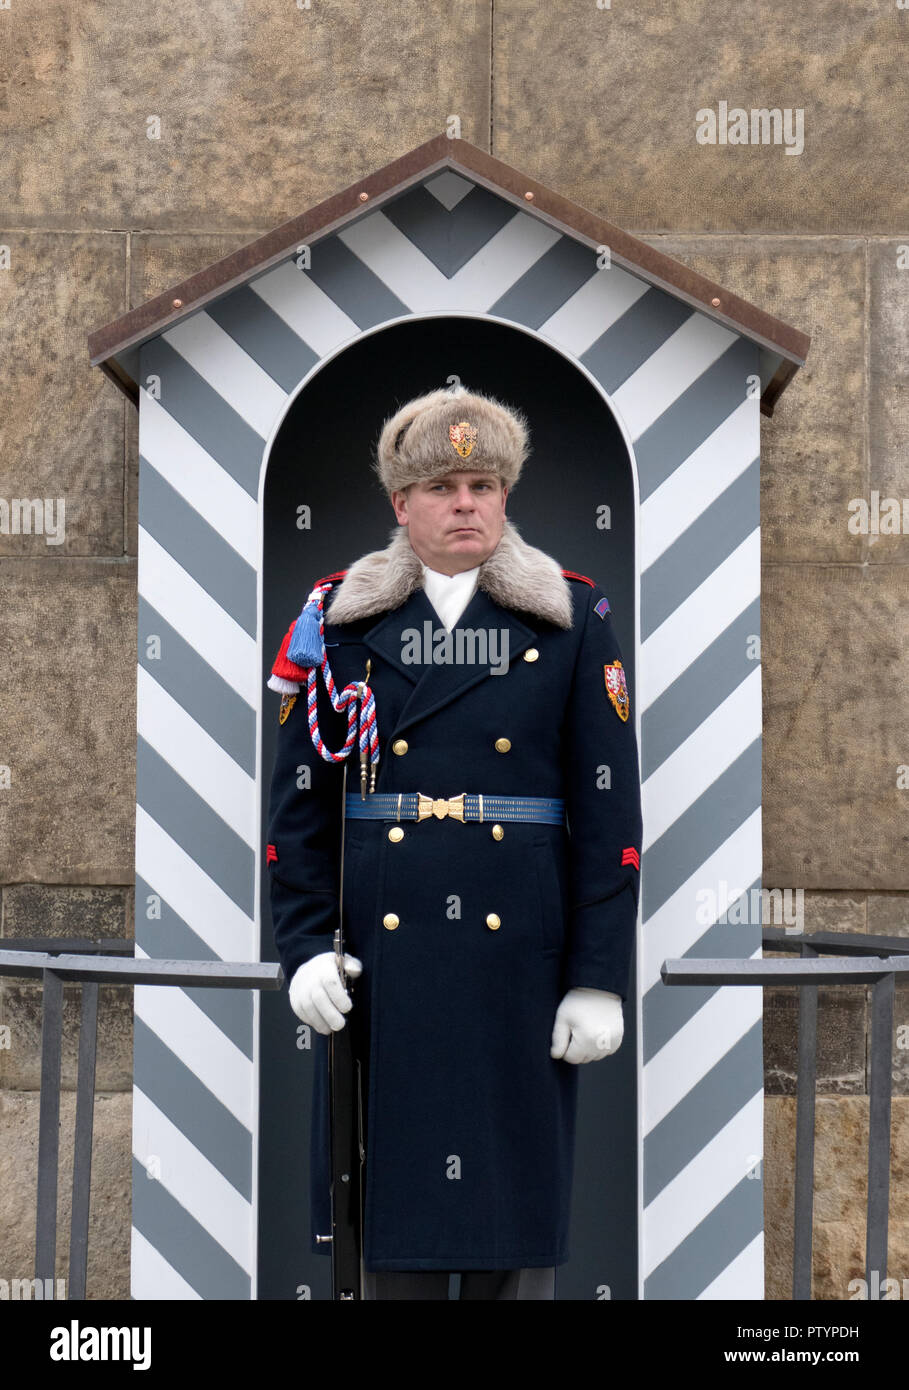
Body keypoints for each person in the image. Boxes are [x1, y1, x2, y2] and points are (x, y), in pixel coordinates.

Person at [265, 385, 643, 1300]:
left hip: (518, 965)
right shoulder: (340, 619)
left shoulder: (569, 617)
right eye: (441, 486)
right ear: (402, 505)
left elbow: (609, 818)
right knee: (386, 1226)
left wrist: (596, 973)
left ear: (506, 495)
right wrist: (305, 947)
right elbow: (298, 810)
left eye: (482, 482)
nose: (464, 502)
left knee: (508, 1233)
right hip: (382, 973)